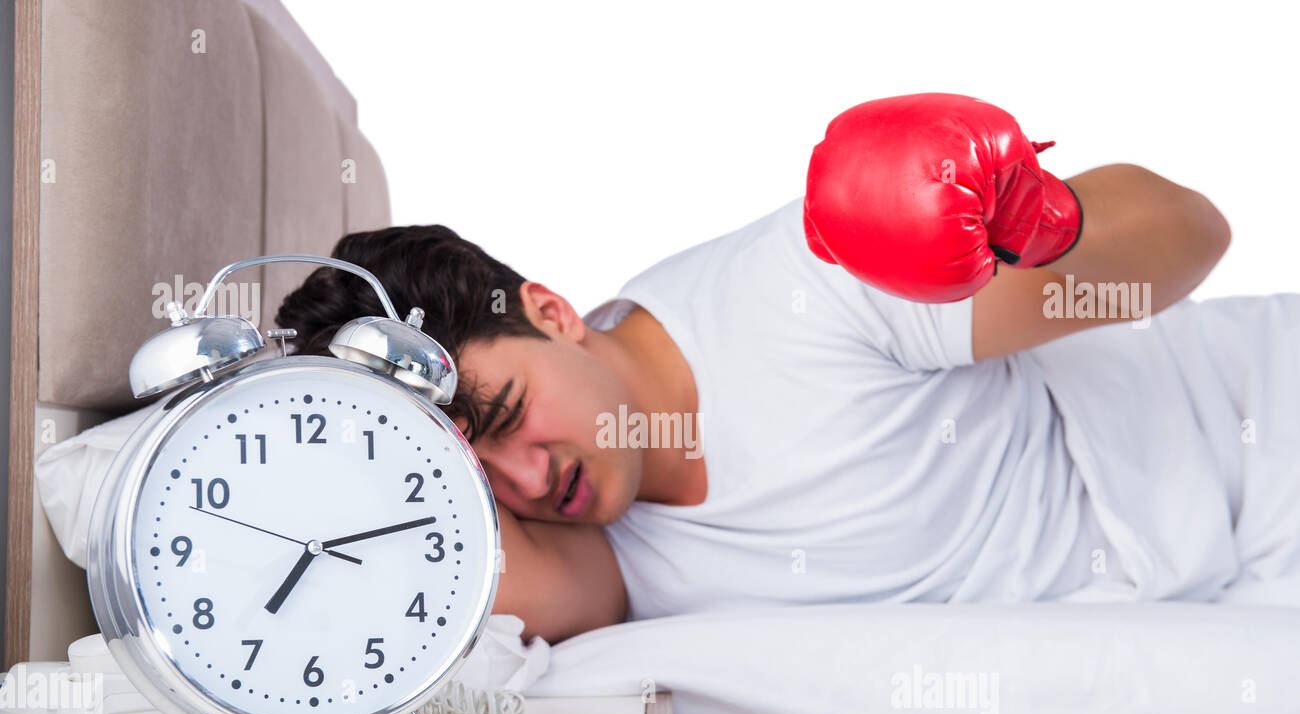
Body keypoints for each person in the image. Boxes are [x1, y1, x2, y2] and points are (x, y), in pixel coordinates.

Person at [276, 93, 1258, 642]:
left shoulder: (808, 285)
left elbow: (1192, 232)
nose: (527, 480)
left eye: (507, 416)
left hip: (1255, 423)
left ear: (550, 312)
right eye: (477, 477)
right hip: (1221, 577)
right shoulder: (588, 550)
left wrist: (1046, 221)